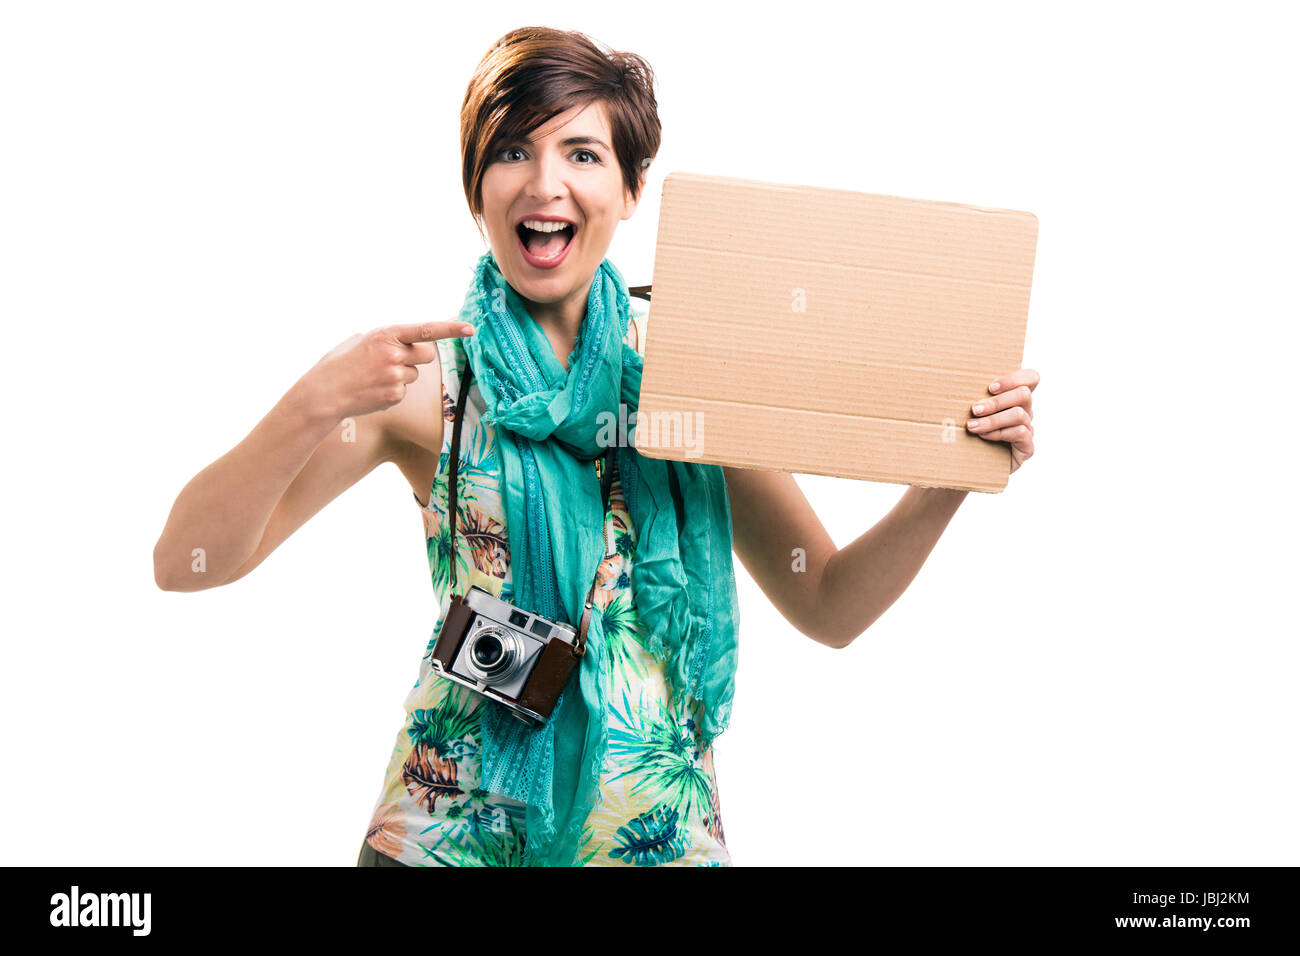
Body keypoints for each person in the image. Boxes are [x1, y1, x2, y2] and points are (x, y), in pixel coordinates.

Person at [154, 26, 1040, 868]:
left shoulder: (690, 370)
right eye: (512, 152)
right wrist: (310, 403)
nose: (545, 184)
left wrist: (948, 478)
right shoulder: (428, 386)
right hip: (447, 837)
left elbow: (830, 605)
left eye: (582, 154)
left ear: (630, 190)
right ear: (476, 189)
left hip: (657, 836)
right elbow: (187, 561)